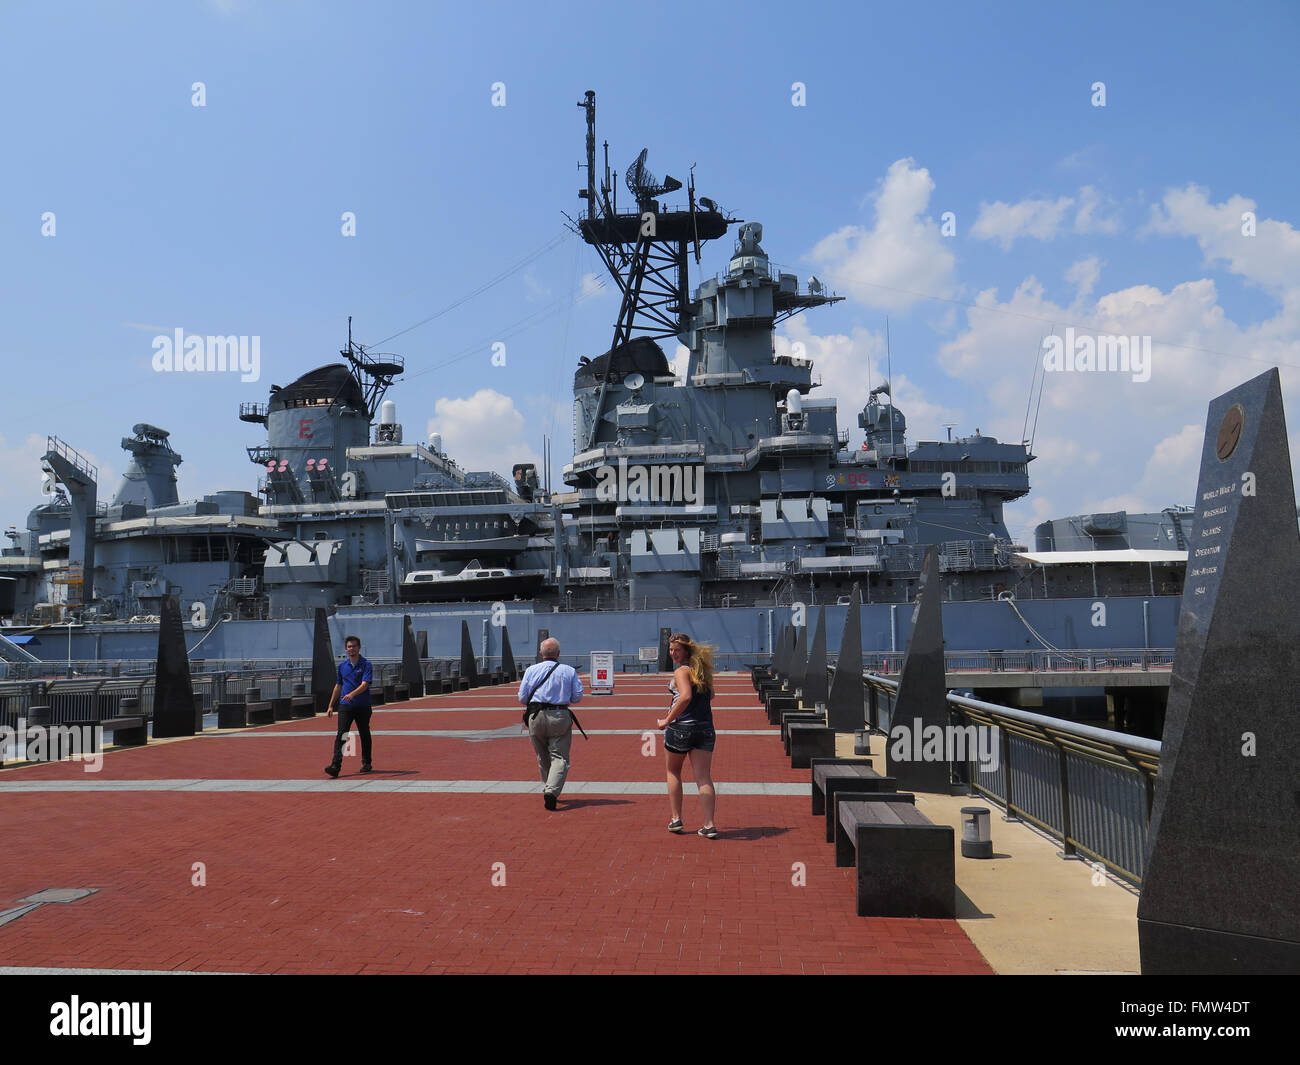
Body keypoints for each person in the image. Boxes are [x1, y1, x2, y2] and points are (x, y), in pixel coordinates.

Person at [658, 633, 718, 838]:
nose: (673, 653)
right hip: (705, 728)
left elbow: (685, 697)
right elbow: (711, 696)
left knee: (673, 771)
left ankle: (676, 819)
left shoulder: (681, 671)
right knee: (703, 777)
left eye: (677, 650)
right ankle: (709, 824)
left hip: (682, 728)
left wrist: (667, 720)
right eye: (671, 649)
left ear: (686, 651)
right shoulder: (702, 672)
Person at [517, 637, 584, 810]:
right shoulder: (569, 671)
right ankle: (551, 791)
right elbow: (577, 696)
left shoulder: (531, 670)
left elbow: (522, 698)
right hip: (559, 715)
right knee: (559, 757)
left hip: (535, 716)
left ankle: (548, 786)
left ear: (541, 653)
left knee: (542, 756)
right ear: (558, 653)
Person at [325, 635, 374, 777]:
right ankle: (335, 765)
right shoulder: (342, 666)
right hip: (345, 705)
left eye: (354, 646)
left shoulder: (366, 664)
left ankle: (366, 762)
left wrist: (352, 694)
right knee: (342, 734)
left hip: (362, 706)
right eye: (349, 646)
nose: (351, 649)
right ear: (346, 649)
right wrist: (330, 705)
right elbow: (338, 686)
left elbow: (365, 685)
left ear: (359, 647)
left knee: (364, 733)